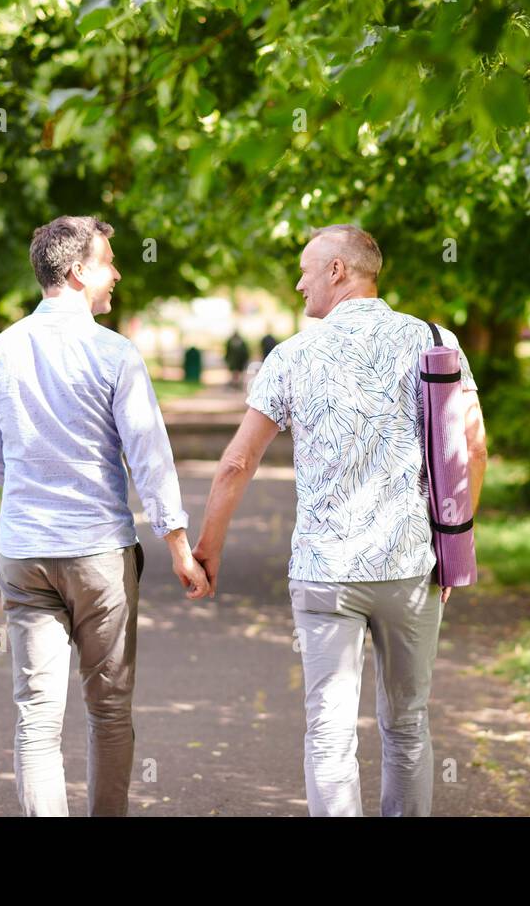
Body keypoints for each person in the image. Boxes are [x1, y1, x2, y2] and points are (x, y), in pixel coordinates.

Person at [192, 224, 488, 816]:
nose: (298, 282)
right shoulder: (434, 339)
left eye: (306, 269)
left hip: (325, 572)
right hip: (410, 569)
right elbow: (473, 449)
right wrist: (452, 547)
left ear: (337, 271)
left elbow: (236, 463)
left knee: (329, 734)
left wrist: (208, 551)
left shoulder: (294, 355)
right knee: (407, 726)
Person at [0, 214, 211, 817]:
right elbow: (150, 460)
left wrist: (39, 486)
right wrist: (181, 547)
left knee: (35, 717)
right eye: (109, 262)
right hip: (98, 556)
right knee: (108, 711)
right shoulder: (115, 354)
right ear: (78, 271)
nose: (117, 274)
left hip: (25, 554)